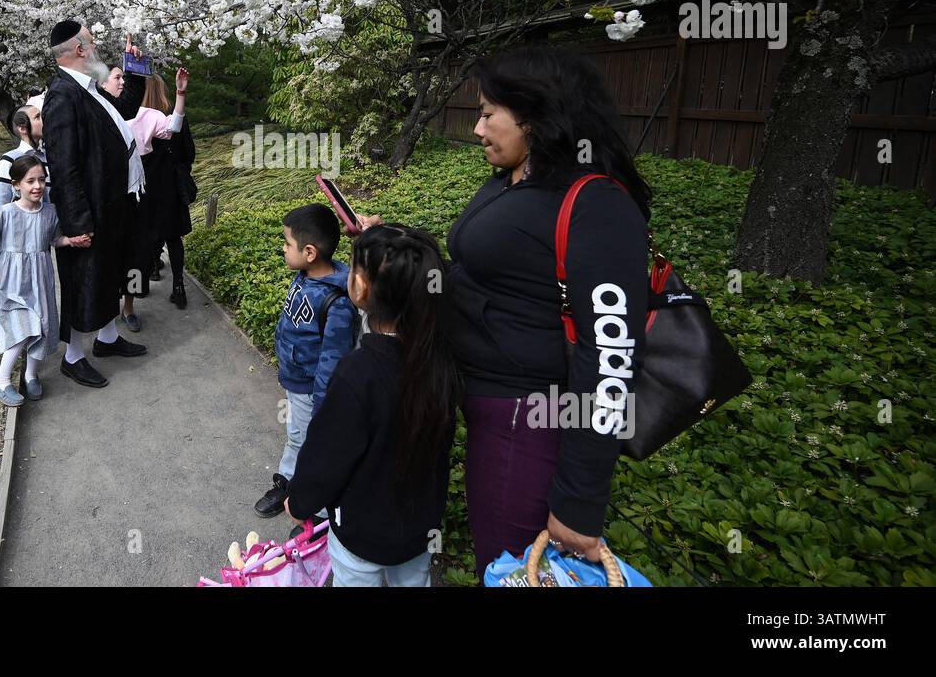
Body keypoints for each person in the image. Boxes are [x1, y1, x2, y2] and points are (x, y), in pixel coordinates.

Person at [355, 45, 650, 578]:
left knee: (513, 566)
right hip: (483, 406)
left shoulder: (597, 204)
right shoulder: (512, 181)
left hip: (528, 422)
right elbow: (478, 279)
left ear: (536, 114)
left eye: (489, 113)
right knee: (503, 560)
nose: (477, 128)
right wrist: (388, 247)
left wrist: (578, 503)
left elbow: (609, 356)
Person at [284, 223, 460, 586]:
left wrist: (299, 500)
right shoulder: (439, 360)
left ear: (360, 288)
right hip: (418, 531)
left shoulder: (358, 373)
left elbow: (327, 455)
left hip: (361, 536)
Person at [40, 20, 149, 391]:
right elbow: (63, 163)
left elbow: (127, 110)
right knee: (81, 282)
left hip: (111, 202)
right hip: (89, 210)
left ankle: (107, 338)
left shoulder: (87, 90)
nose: (97, 44)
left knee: (107, 275)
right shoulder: (62, 95)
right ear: (80, 49)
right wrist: (76, 222)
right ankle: (73, 359)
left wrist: (134, 69)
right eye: (91, 40)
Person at [254, 203, 358, 519]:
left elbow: (333, 359)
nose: (283, 249)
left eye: (287, 243)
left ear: (310, 252)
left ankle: (315, 510)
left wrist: (323, 404)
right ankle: (289, 484)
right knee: (297, 436)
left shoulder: (336, 301)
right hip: (296, 379)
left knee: (310, 442)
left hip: (313, 390)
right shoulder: (304, 276)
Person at [0, 154, 77, 406]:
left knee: (40, 327)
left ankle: (31, 375)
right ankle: (1, 380)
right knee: (23, 327)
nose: (37, 186)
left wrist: (71, 241)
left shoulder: (51, 212)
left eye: (41, 180)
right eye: (30, 180)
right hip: (10, 283)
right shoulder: (6, 212)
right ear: (16, 184)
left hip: (40, 280)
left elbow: (54, 240)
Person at [130, 69, 193, 310]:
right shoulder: (175, 117)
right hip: (171, 186)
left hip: (144, 185)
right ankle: (178, 287)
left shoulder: (133, 119)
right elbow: (189, 152)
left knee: (141, 238)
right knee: (173, 237)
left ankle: (140, 284)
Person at [0, 103, 47, 217]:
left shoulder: (48, 157)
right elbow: (2, 198)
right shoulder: (11, 158)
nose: (43, 120)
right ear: (22, 128)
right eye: (37, 117)